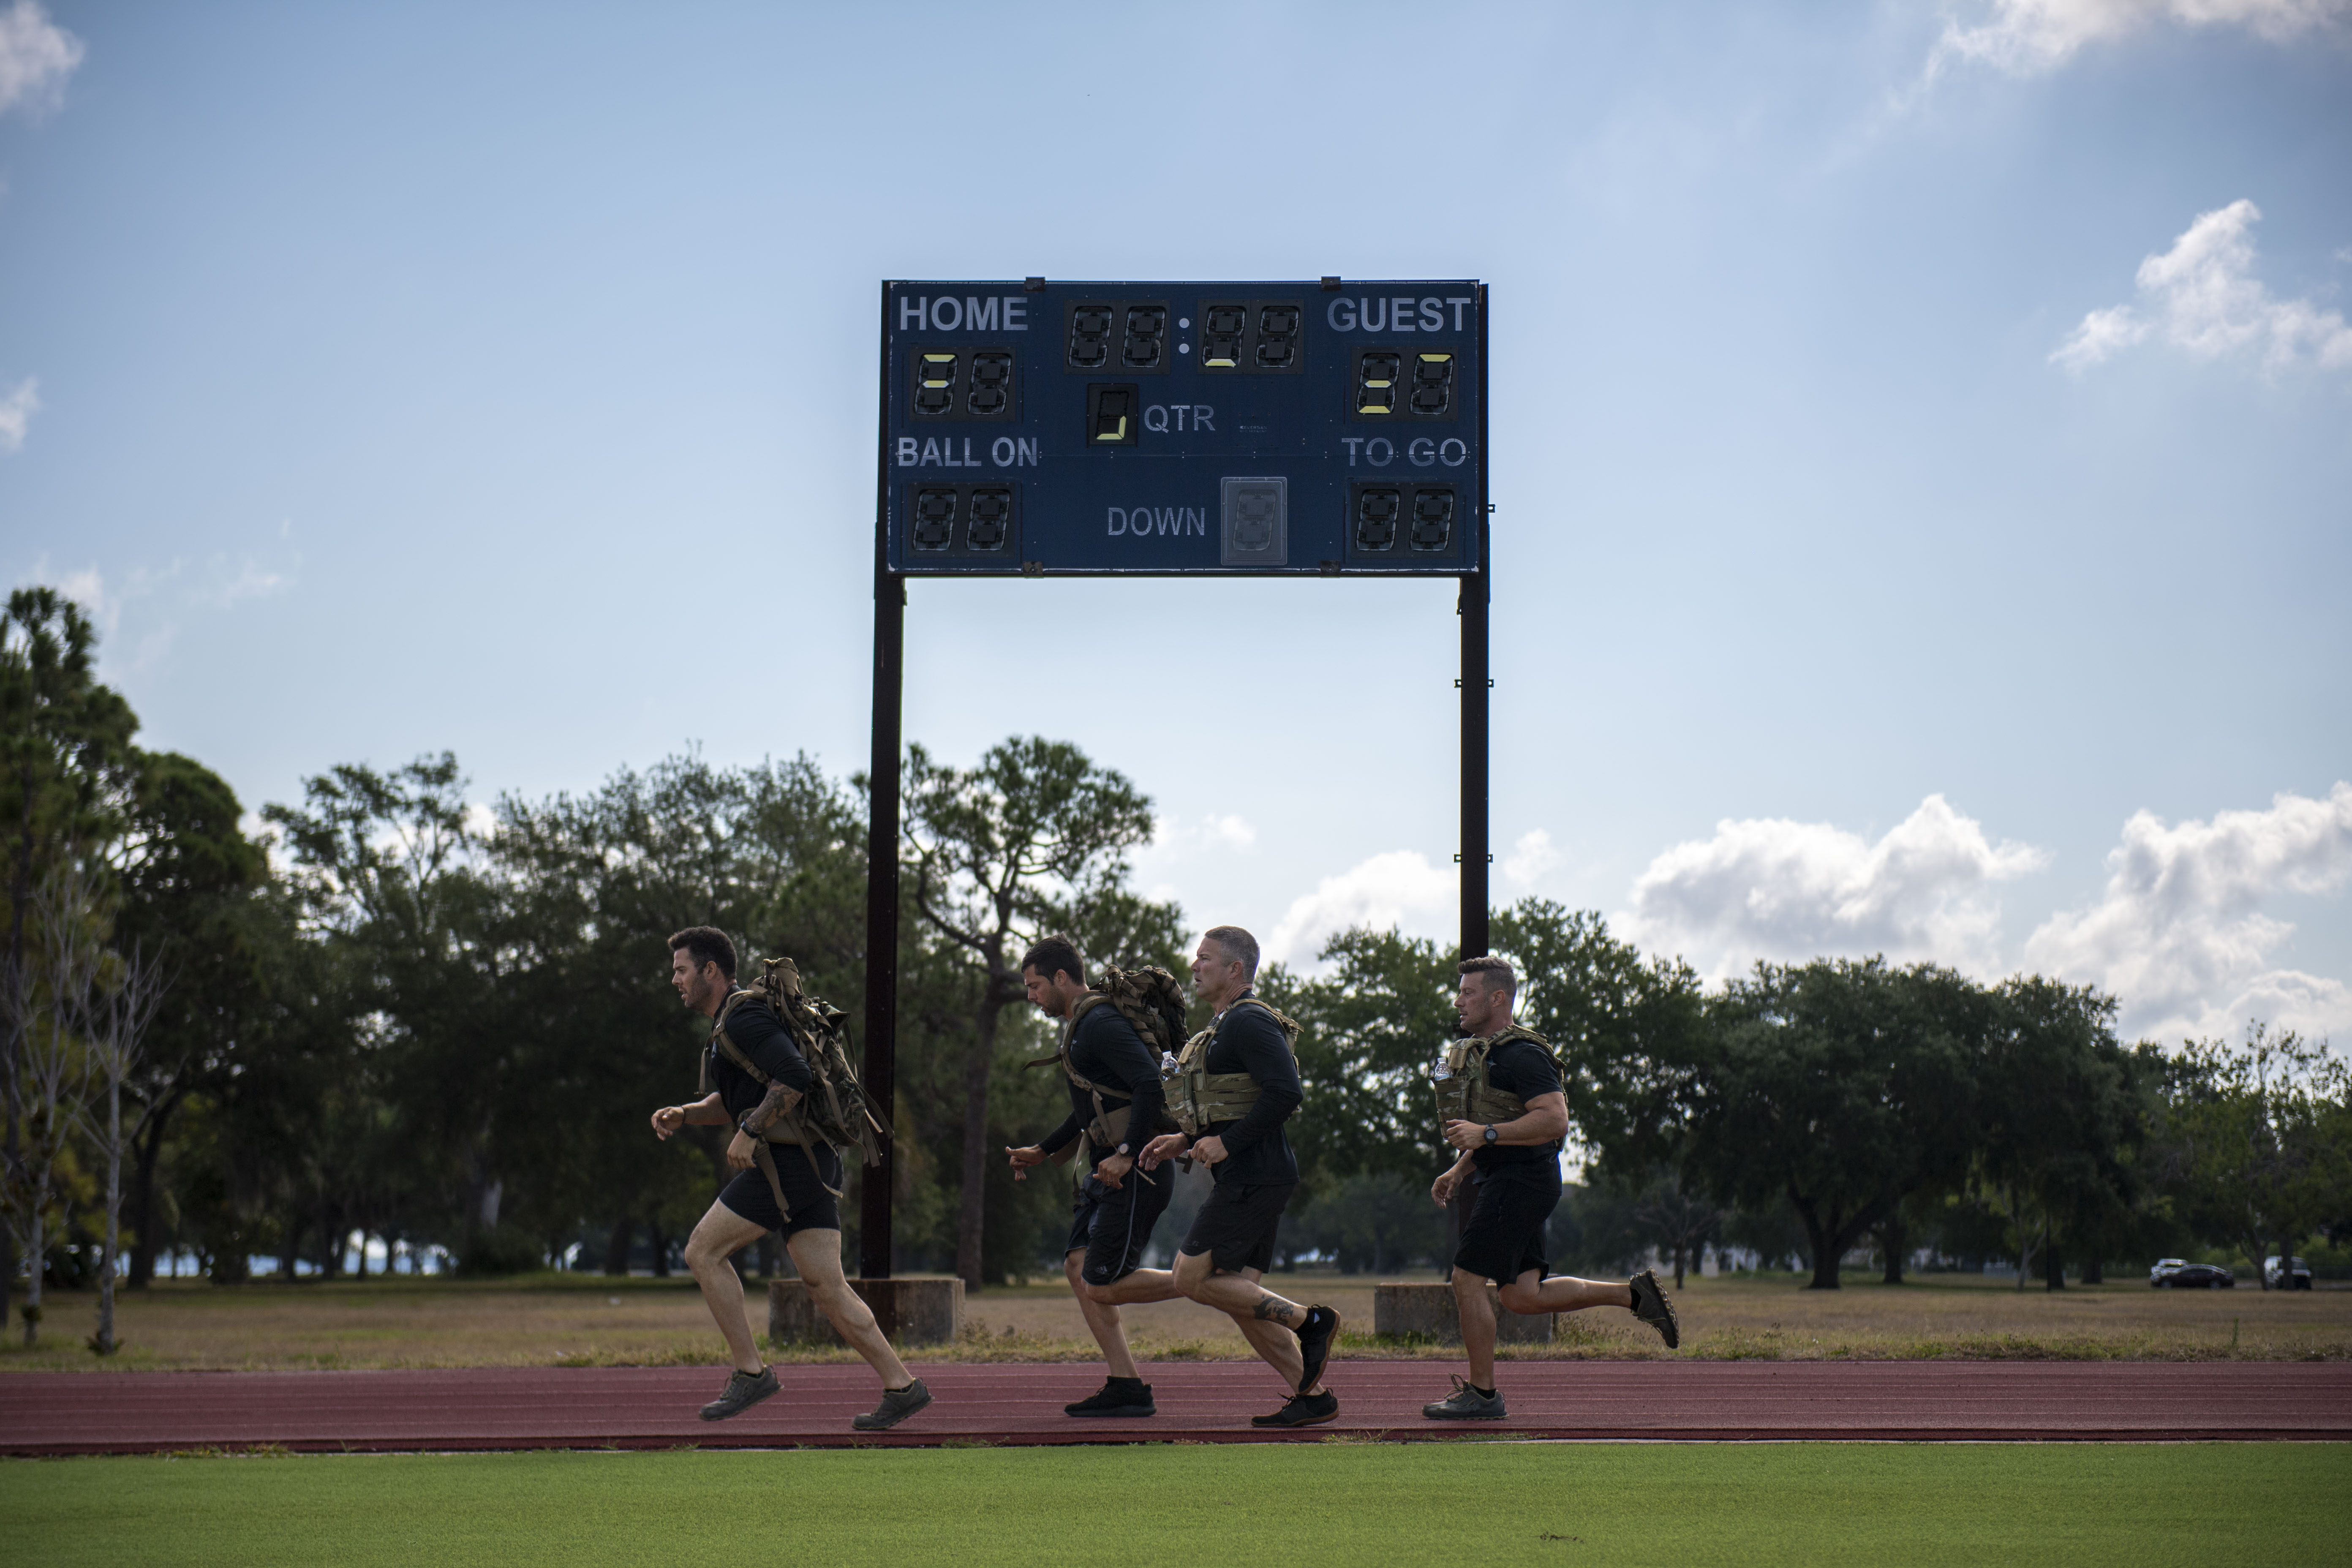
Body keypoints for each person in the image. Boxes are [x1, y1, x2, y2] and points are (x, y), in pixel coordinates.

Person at [650, 926, 932, 1431]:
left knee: (702, 1251)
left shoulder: (745, 1018)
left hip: (789, 1166)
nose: (675, 980)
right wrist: (687, 1114)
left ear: (711, 971)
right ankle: (902, 1386)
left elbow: (795, 1075)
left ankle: (751, 1372)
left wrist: (750, 1131)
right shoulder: (732, 1024)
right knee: (827, 1285)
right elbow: (739, 1098)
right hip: (811, 1164)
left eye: (682, 970)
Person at [1421, 955, 1679, 1420]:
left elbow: (1554, 1119)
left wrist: (1487, 1136)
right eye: (1460, 992)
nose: (1459, 1001)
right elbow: (1501, 1121)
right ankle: (1634, 1295)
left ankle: (1482, 1395)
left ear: (1498, 998)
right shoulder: (1488, 1054)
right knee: (1522, 1296)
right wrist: (1461, 1169)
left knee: (1465, 1279)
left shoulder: (1523, 1053)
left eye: (1469, 992)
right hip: (1513, 1176)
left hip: (1522, 1180)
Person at [1136, 926, 1341, 1429]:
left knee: (1190, 1277)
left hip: (1255, 1176)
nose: (1193, 966)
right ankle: (1311, 1396)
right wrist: (1185, 1140)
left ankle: (1312, 1321)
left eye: (1205, 958)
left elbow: (1286, 1092)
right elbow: (1239, 1103)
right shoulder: (1225, 1026)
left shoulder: (1249, 1022)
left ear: (1235, 969)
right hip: (1254, 1174)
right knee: (1244, 1301)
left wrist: (1226, 1144)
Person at [1003, 934, 1181, 1418]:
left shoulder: (1099, 1022)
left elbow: (1148, 1081)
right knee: (1080, 1268)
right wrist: (1042, 1150)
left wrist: (1127, 1153)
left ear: (1062, 978)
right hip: (1106, 1169)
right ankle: (1127, 1385)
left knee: (1103, 1280)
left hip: (1135, 1171)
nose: (1031, 996)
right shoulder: (1079, 1028)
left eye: (1036, 985)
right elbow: (1089, 1106)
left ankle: (1207, 1279)